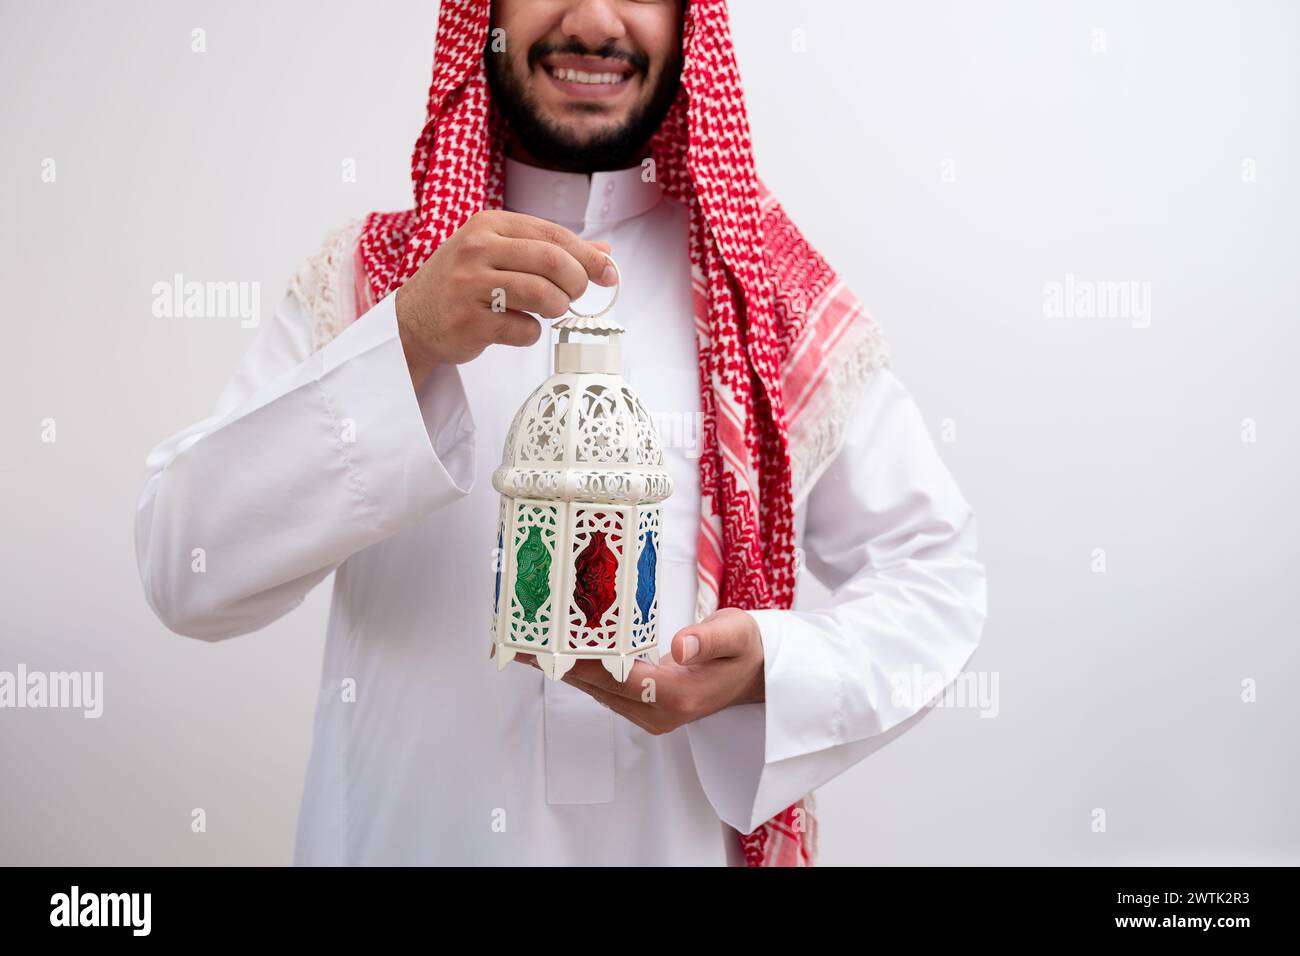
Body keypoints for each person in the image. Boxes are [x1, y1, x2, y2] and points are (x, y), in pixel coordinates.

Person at [134, 0, 987, 866]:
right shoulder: (374, 281)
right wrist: (407, 339)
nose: (594, 20)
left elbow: (936, 577)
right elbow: (183, 569)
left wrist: (771, 665)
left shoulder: (761, 297)